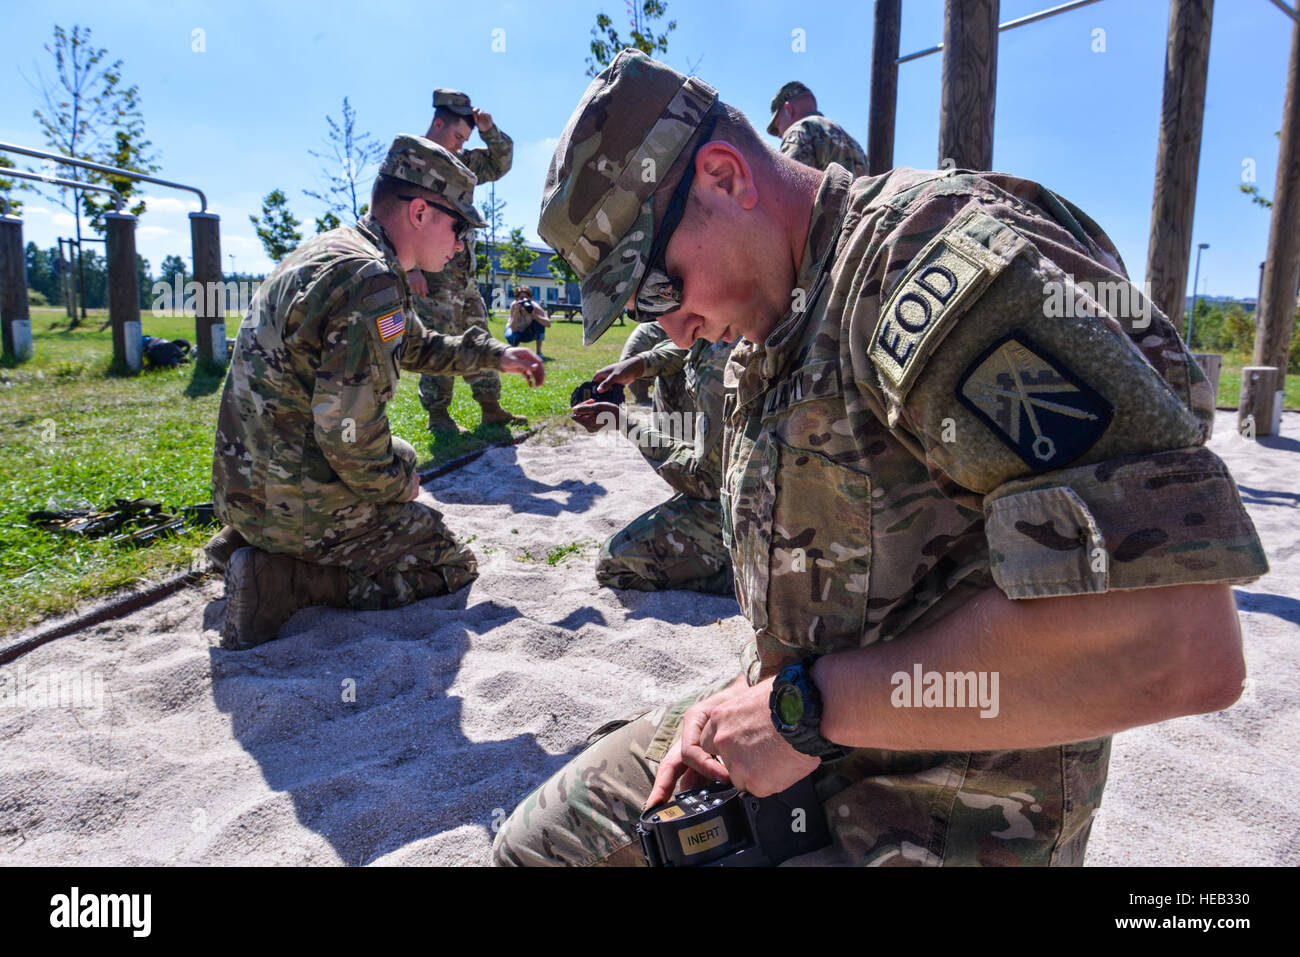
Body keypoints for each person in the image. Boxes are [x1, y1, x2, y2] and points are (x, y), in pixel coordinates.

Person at [492, 50, 1268, 866]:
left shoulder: (926, 269)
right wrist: (750, 702)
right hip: (805, 737)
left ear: (724, 175)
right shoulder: (778, 325)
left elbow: (1176, 644)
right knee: (533, 849)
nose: (673, 327)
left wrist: (805, 711)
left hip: (944, 807)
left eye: (658, 288)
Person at [211, 135, 544, 650]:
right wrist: (394, 487)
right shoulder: (371, 281)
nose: (460, 244)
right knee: (445, 558)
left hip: (244, 484)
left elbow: (413, 344)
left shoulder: (335, 253)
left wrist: (492, 355)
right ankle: (284, 580)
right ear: (419, 211)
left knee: (404, 455)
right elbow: (347, 433)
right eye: (457, 226)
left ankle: (250, 539)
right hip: (289, 497)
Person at [574, 321, 734, 595]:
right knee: (669, 375)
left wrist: (625, 425)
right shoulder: (738, 321)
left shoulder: (725, 370)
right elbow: (695, 346)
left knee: (613, 565)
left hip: (745, 511)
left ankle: (736, 576)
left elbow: (705, 480)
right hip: (760, 491)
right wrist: (640, 364)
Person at [415, 88, 525, 434]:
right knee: (439, 342)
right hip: (431, 275)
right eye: (458, 136)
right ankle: (438, 416)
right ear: (437, 123)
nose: (462, 144)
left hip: (464, 275)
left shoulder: (462, 162)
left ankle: (491, 407)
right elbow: (397, 218)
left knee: (478, 337)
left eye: (467, 137)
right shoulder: (412, 161)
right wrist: (410, 268)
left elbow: (500, 162)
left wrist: (488, 129)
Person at [767, 80, 870, 178]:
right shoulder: (853, 143)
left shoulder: (799, 131)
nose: (779, 135)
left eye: (777, 125)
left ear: (788, 110)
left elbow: (789, 186)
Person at [617, 319, 668, 404]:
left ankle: (642, 397)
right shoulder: (663, 324)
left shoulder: (653, 322)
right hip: (636, 365)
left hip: (628, 368)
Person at [506, 285, 551, 358]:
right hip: (515, 331)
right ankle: (514, 351)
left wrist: (532, 315)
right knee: (512, 336)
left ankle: (539, 352)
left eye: (526, 297)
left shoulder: (535, 306)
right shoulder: (514, 306)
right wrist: (516, 312)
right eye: (521, 298)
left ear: (531, 298)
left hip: (527, 332)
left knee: (540, 322)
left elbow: (548, 324)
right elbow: (513, 329)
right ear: (517, 299)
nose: (524, 300)